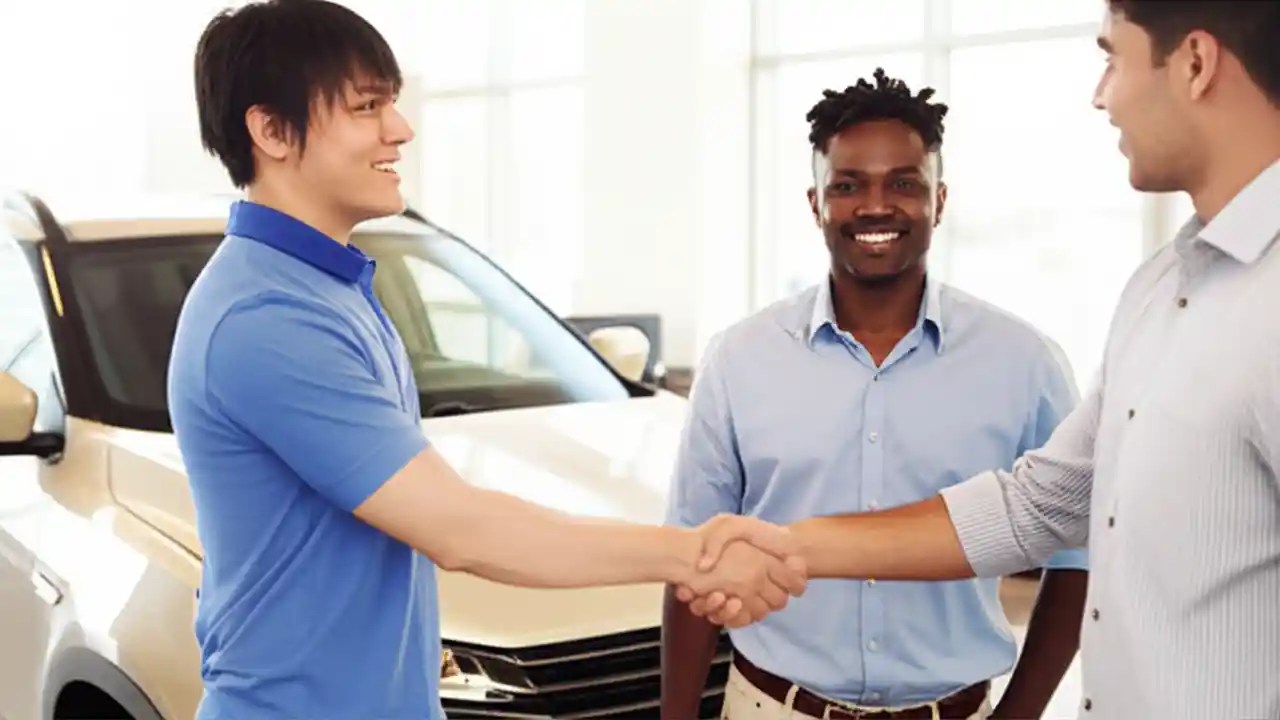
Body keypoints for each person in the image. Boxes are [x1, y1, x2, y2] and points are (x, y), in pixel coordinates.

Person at [166, 2, 805, 718]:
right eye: (367, 106)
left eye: (392, 103)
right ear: (272, 130)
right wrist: (690, 555)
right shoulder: (266, 318)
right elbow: (462, 531)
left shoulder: (325, 284)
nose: (399, 129)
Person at [686, 2, 1280, 718]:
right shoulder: (1158, 291)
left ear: (1194, 63)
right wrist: (785, 546)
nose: (1101, 95)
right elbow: (1042, 504)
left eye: (1112, 58)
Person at [661, 69, 1088, 720]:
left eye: (904, 184)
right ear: (816, 203)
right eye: (849, 185)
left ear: (939, 200)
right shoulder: (738, 359)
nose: (876, 206)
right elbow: (693, 559)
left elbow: (1078, 556)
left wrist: (1019, 715)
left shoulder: (1024, 363)